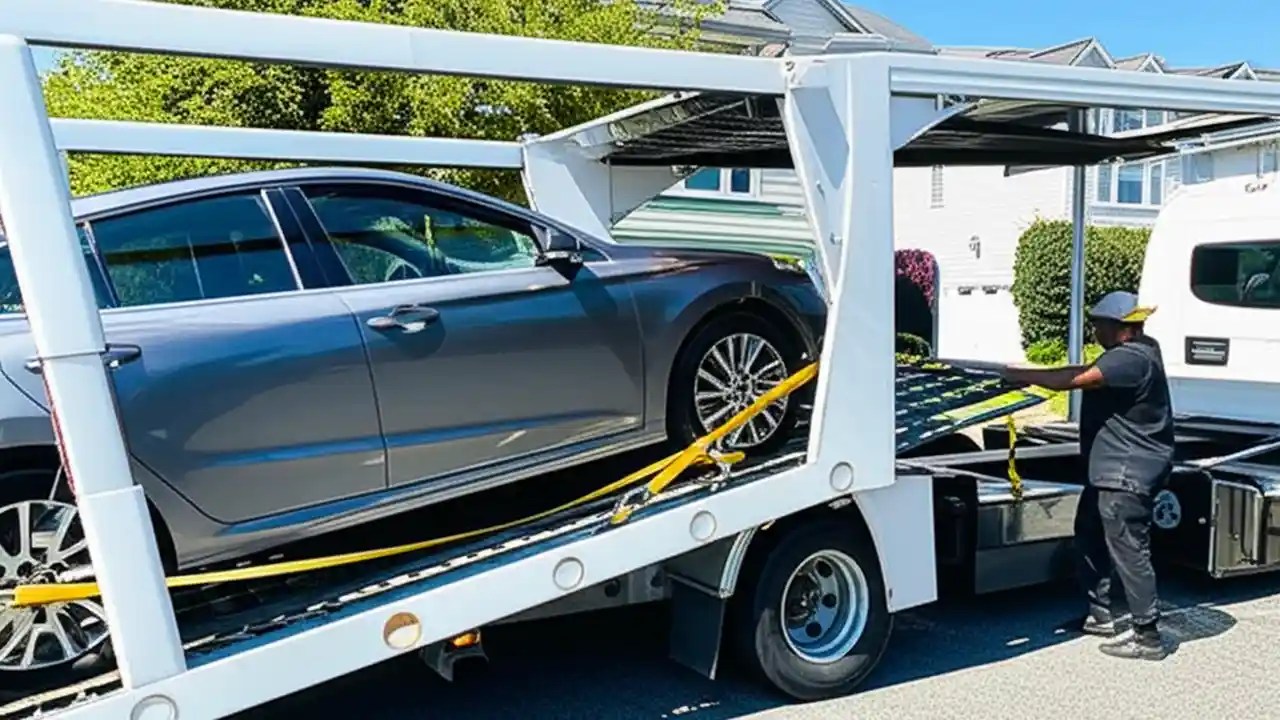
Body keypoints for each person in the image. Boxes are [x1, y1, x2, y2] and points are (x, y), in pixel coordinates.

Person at [1001, 290, 1175, 661]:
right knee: (1090, 536)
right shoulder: (1141, 349)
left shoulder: (1132, 358)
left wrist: (1018, 374)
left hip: (1127, 472)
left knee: (1129, 549)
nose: (1094, 330)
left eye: (1098, 324)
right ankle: (1101, 615)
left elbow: (1074, 378)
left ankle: (1147, 636)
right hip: (1110, 471)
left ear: (1120, 328)